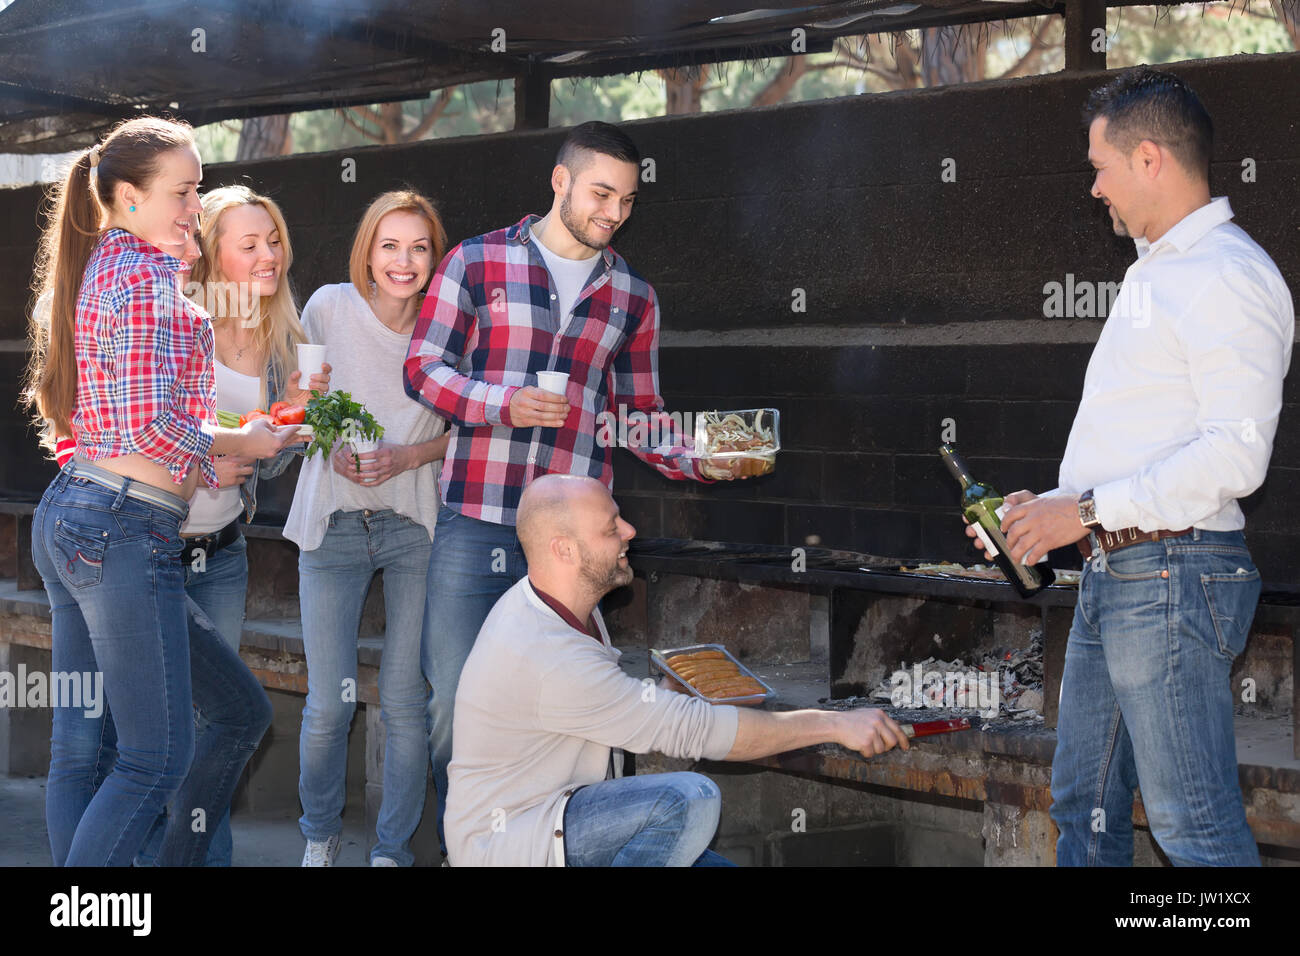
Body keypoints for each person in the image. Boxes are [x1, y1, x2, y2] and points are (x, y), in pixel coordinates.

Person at [967, 68, 1293, 866]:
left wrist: (1079, 514)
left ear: (1149, 159)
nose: (1095, 188)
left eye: (1100, 166)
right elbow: (1148, 441)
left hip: (1174, 576)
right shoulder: (1160, 272)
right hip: (1122, 574)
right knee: (1085, 809)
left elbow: (1234, 453)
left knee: (1194, 828)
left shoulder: (1227, 275)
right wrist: (1048, 509)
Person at [404, 121, 750, 851]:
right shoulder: (475, 261)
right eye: (601, 193)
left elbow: (638, 417)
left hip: (572, 545)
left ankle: (552, 846)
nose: (614, 212)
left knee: (574, 719)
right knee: (450, 711)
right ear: (559, 182)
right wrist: (501, 402)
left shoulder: (632, 295)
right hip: (480, 518)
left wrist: (702, 457)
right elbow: (423, 368)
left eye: (626, 199)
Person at [23, 116, 298, 866]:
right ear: (125, 197)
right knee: (151, 758)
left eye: (198, 190)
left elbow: (149, 422)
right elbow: (149, 430)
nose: (193, 208)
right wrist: (241, 443)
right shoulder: (143, 280)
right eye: (182, 192)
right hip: (120, 527)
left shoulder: (116, 268)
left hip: (86, 517)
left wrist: (225, 457)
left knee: (229, 712)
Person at [445, 474, 908, 866]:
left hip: (566, 823)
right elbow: (697, 733)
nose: (629, 530)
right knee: (688, 800)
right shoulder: (546, 652)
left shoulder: (561, 604)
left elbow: (594, 707)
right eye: (611, 528)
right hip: (514, 846)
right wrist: (832, 723)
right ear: (564, 550)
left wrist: (661, 693)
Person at [284, 190, 451, 866]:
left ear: (434, 257)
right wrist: (327, 438)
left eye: (418, 247)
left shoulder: (450, 328)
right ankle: (320, 836)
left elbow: (470, 428)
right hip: (334, 521)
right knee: (329, 704)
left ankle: (391, 852)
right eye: (390, 245)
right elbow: (302, 403)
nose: (403, 260)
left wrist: (407, 454)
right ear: (368, 253)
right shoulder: (328, 307)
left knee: (408, 700)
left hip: (415, 524)